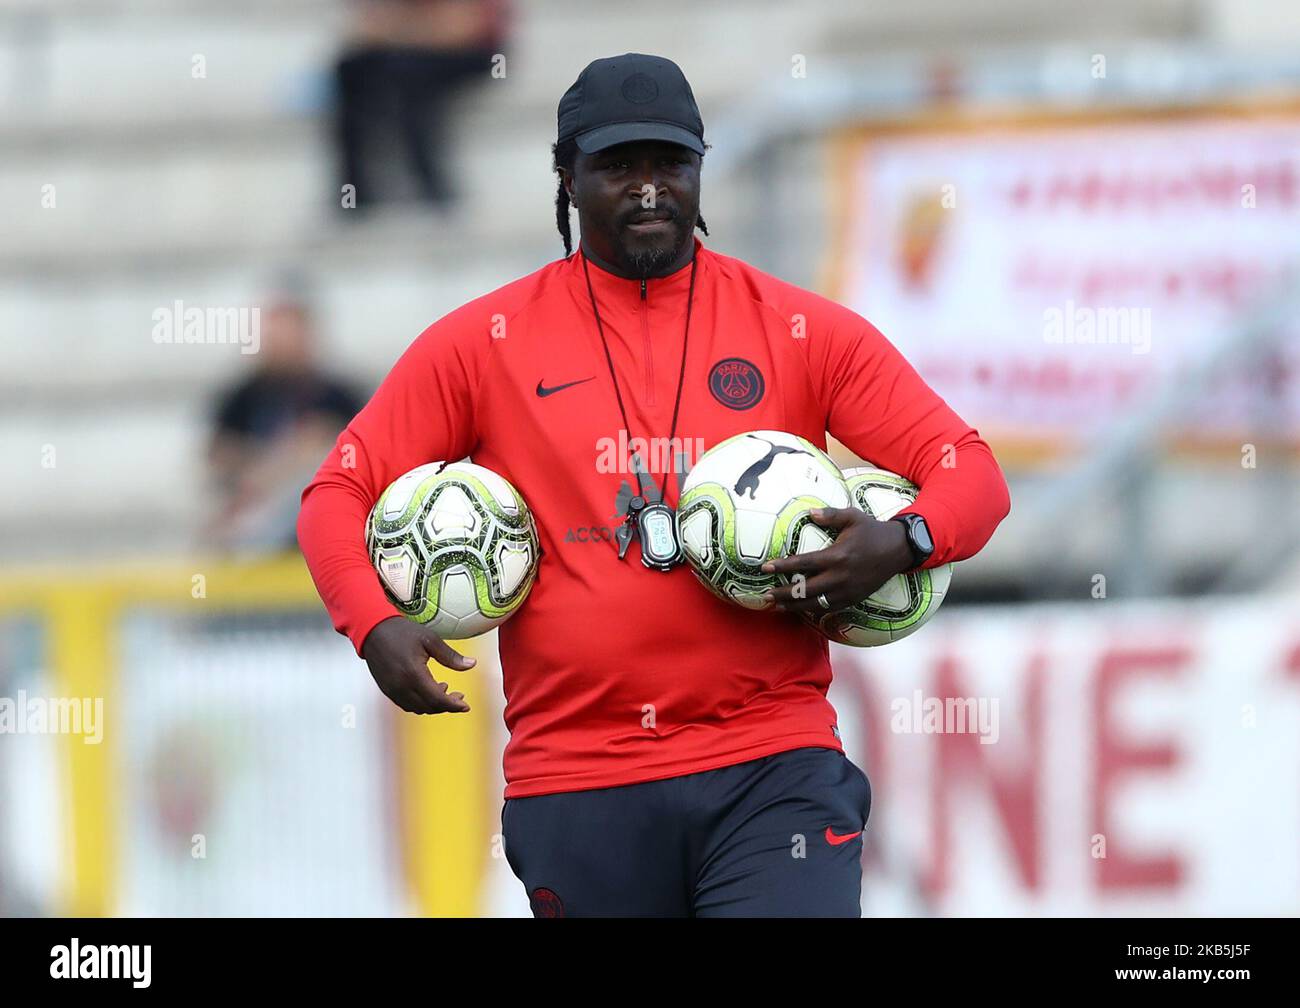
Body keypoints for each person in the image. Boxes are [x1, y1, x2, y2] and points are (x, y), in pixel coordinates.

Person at [297, 53, 1011, 917]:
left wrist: (904, 540)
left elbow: (969, 472)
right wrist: (372, 624)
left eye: (669, 164)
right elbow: (335, 493)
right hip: (578, 780)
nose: (647, 190)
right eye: (616, 167)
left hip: (771, 766)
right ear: (566, 177)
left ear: (700, 171)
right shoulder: (483, 342)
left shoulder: (796, 327)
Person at [209, 286, 363, 552]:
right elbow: (219, 458)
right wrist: (283, 461)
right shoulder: (242, 397)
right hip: (257, 511)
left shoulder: (339, 397)